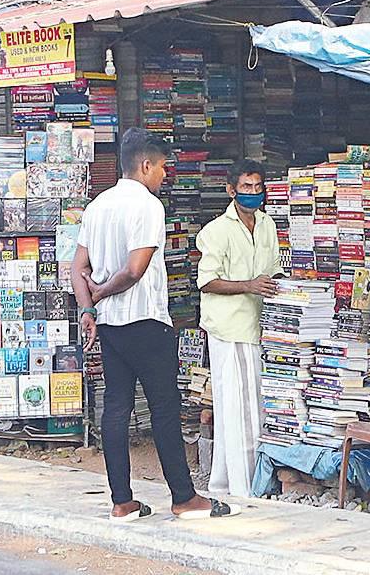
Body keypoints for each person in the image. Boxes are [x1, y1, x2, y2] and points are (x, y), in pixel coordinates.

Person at [71, 128, 237, 521]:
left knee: (116, 408)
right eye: (163, 167)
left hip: (110, 328)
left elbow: (77, 269)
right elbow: (135, 269)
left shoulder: (97, 206)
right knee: (164, 409)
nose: (165, 176)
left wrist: (88, 309)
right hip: (146, 321)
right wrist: (101, 295)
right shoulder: (147, 206)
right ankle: (184, 497)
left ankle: (122, 501)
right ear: (145, 165)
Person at [195, 160, 283, 497]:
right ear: (231, 191)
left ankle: (226, 480)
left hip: (257, 327)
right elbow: (207, 281)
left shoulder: (267, 225)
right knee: (236, 409)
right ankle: (244, 486)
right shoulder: (216, 231)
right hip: (228, 329)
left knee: (252, 406)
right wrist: (249, 285)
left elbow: (273, 272)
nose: (252, 193)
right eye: (245, 187)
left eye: (257, 187)